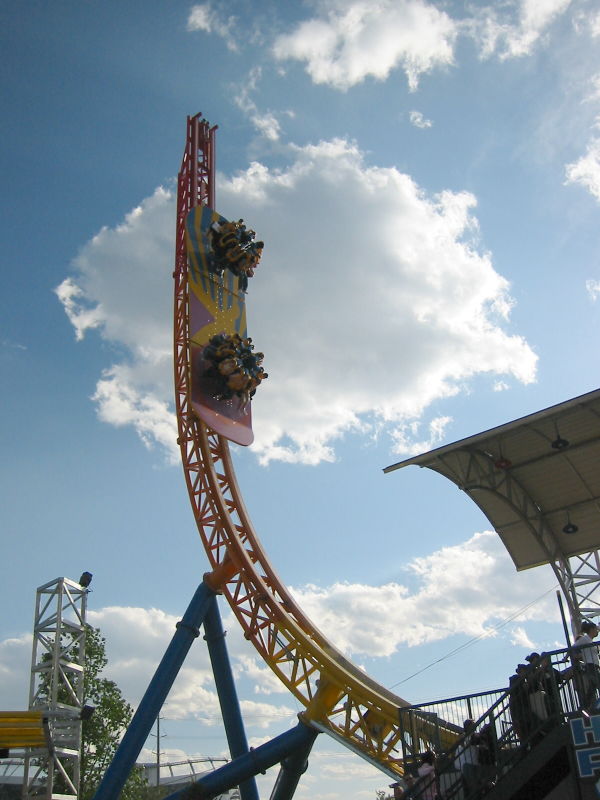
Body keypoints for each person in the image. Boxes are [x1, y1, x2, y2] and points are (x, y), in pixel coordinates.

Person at [573, 620, 600, 710]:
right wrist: (568, 657)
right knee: (596, 684)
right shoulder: (585, 639)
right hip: (590, 666)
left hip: (595, 666)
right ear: (591, 630)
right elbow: (574, 647)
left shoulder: (590, 641)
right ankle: (585, 706)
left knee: (592, 689)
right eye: (596, 629)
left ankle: (584, 706)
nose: (597, 631)